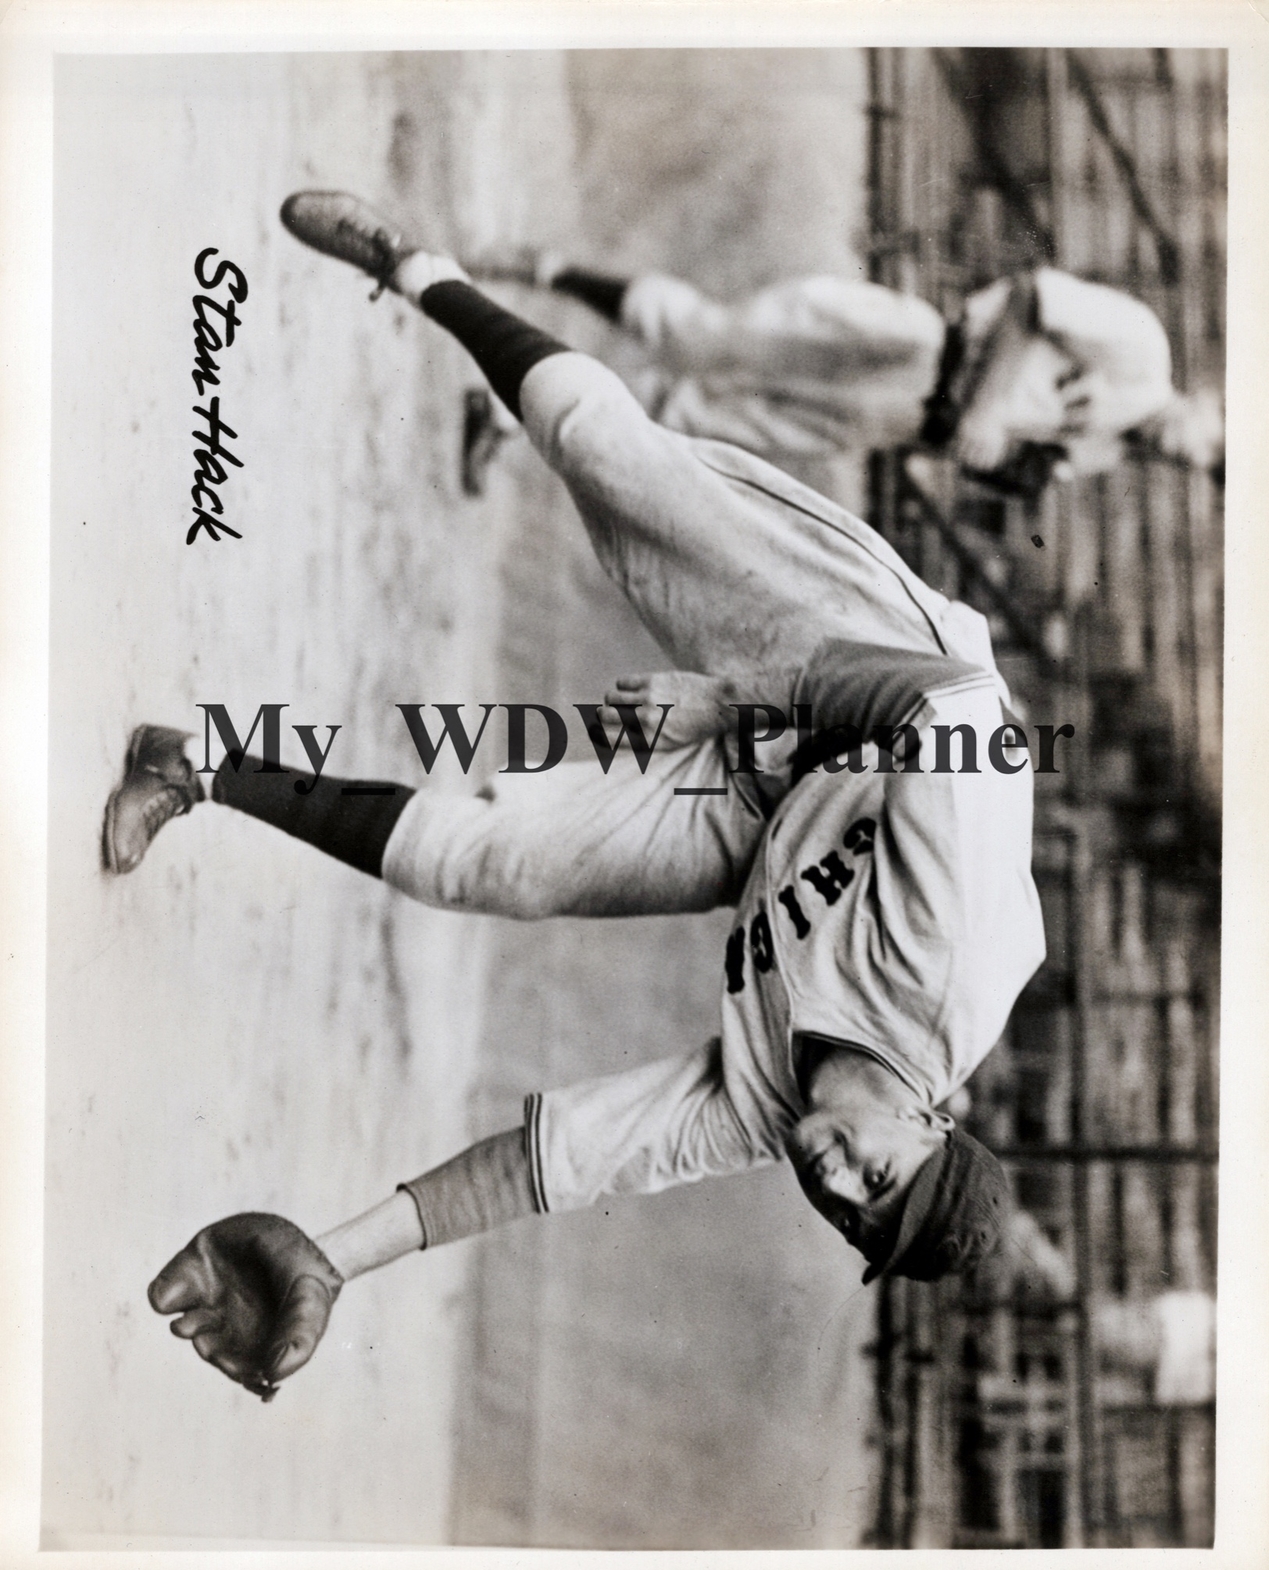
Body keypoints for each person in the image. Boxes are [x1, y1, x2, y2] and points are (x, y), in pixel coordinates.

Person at [112, 191, 1045, 1403]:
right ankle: (422, 267)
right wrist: (736, 696)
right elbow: (958, 713)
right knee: (621, 471)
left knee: (483, 864)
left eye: (858, 1223)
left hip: (782, 811)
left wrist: (338, 1256)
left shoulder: (773, 1115)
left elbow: (558, 1165)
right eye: (884, 1180)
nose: (842, 1187)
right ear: (933, 1124)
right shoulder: (946, 956)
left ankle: (191, 767)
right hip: (893, 678)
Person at [462, 246, 1224, 502]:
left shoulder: (1114, 452)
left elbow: (1002, 457)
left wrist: (996, 458)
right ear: (1217, 403)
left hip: (895, 420)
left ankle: (502, 412)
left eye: (1211, 473)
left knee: (687, 417)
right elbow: (1033, 298)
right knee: (708, 336)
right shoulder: (1143, 355)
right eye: (1216, 446)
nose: (1194, 458)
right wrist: (988, 414)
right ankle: (550, 270)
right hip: (918, 349)